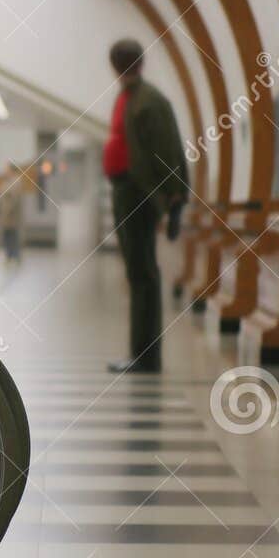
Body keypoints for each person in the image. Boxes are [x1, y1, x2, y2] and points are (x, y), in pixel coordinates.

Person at [102, 38, 188, 374]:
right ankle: (142, 354)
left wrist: (174, 198)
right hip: (126, 191)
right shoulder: (129, 96)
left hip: (139, 193)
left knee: (142, 274)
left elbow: (168, 151)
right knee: (137, 273)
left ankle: (146, 357)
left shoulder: (149, 101)